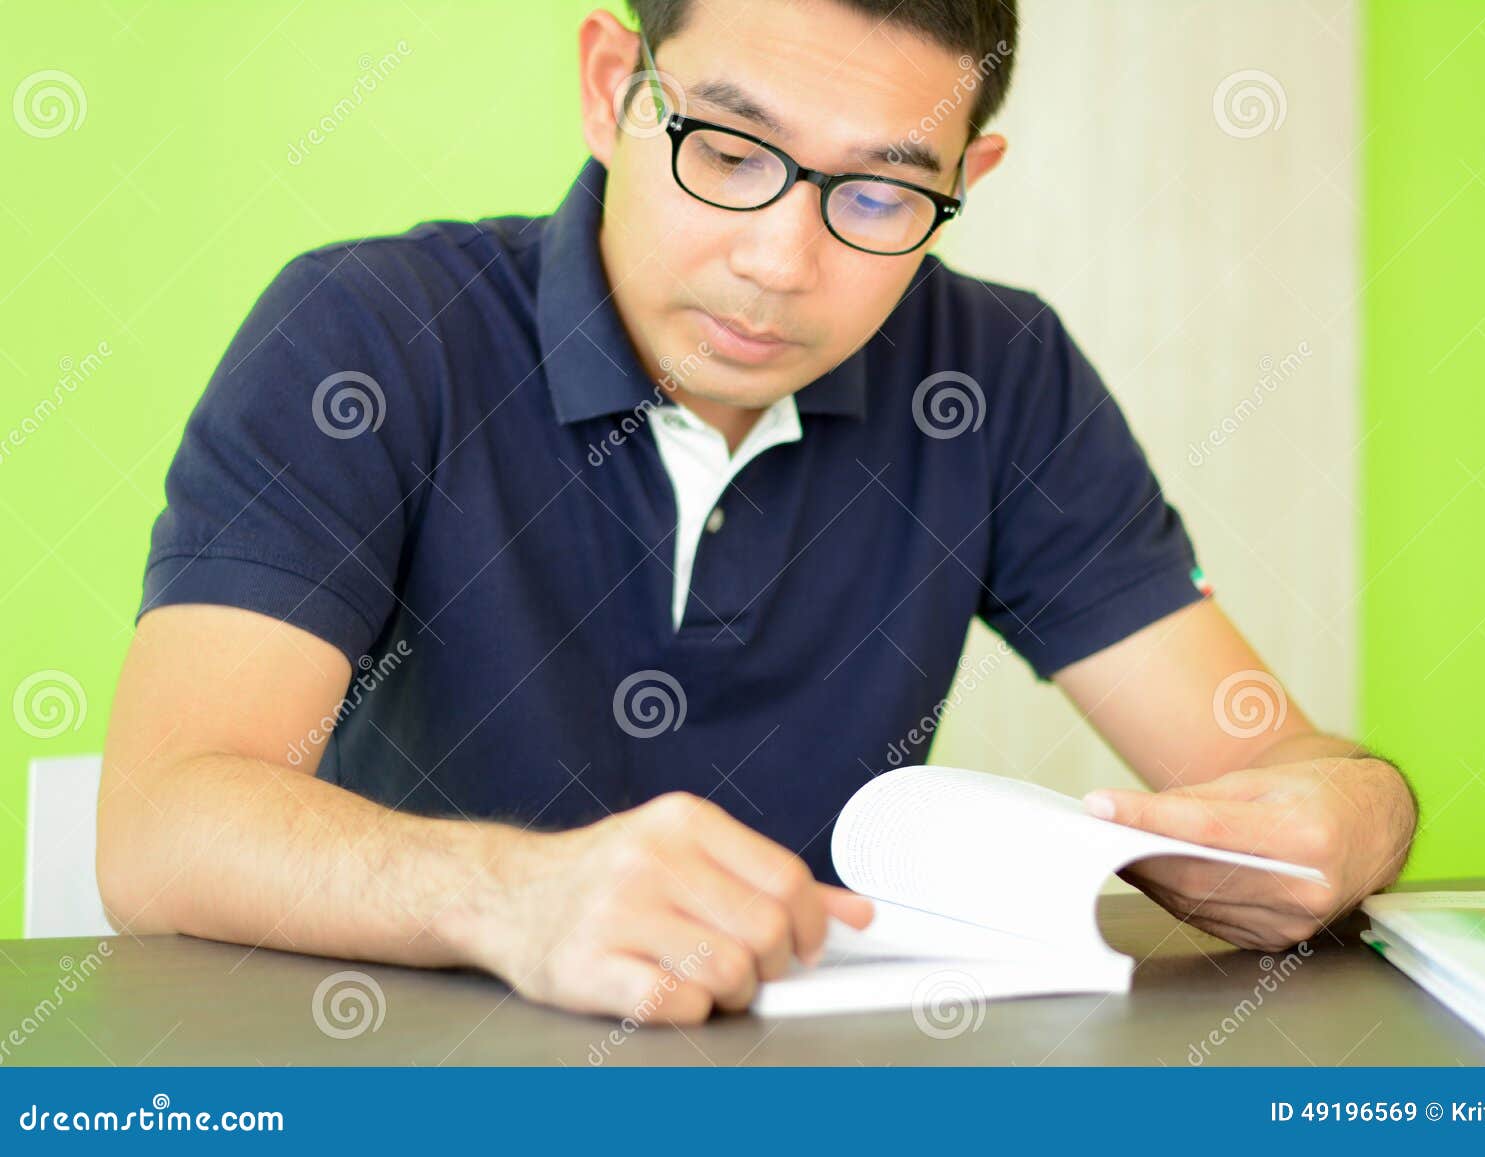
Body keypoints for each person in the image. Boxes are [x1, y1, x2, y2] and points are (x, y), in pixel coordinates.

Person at [98, 0, 1417, 1025]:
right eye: (727, 152)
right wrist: (518, 896)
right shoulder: (368, 337)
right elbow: (165, 822)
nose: (781, 261)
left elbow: (1275, 769)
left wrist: (1361, 816)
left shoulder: (999, 378)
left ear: (972, 173)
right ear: (614, 85)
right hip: (405, 1080)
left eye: (883, 194)